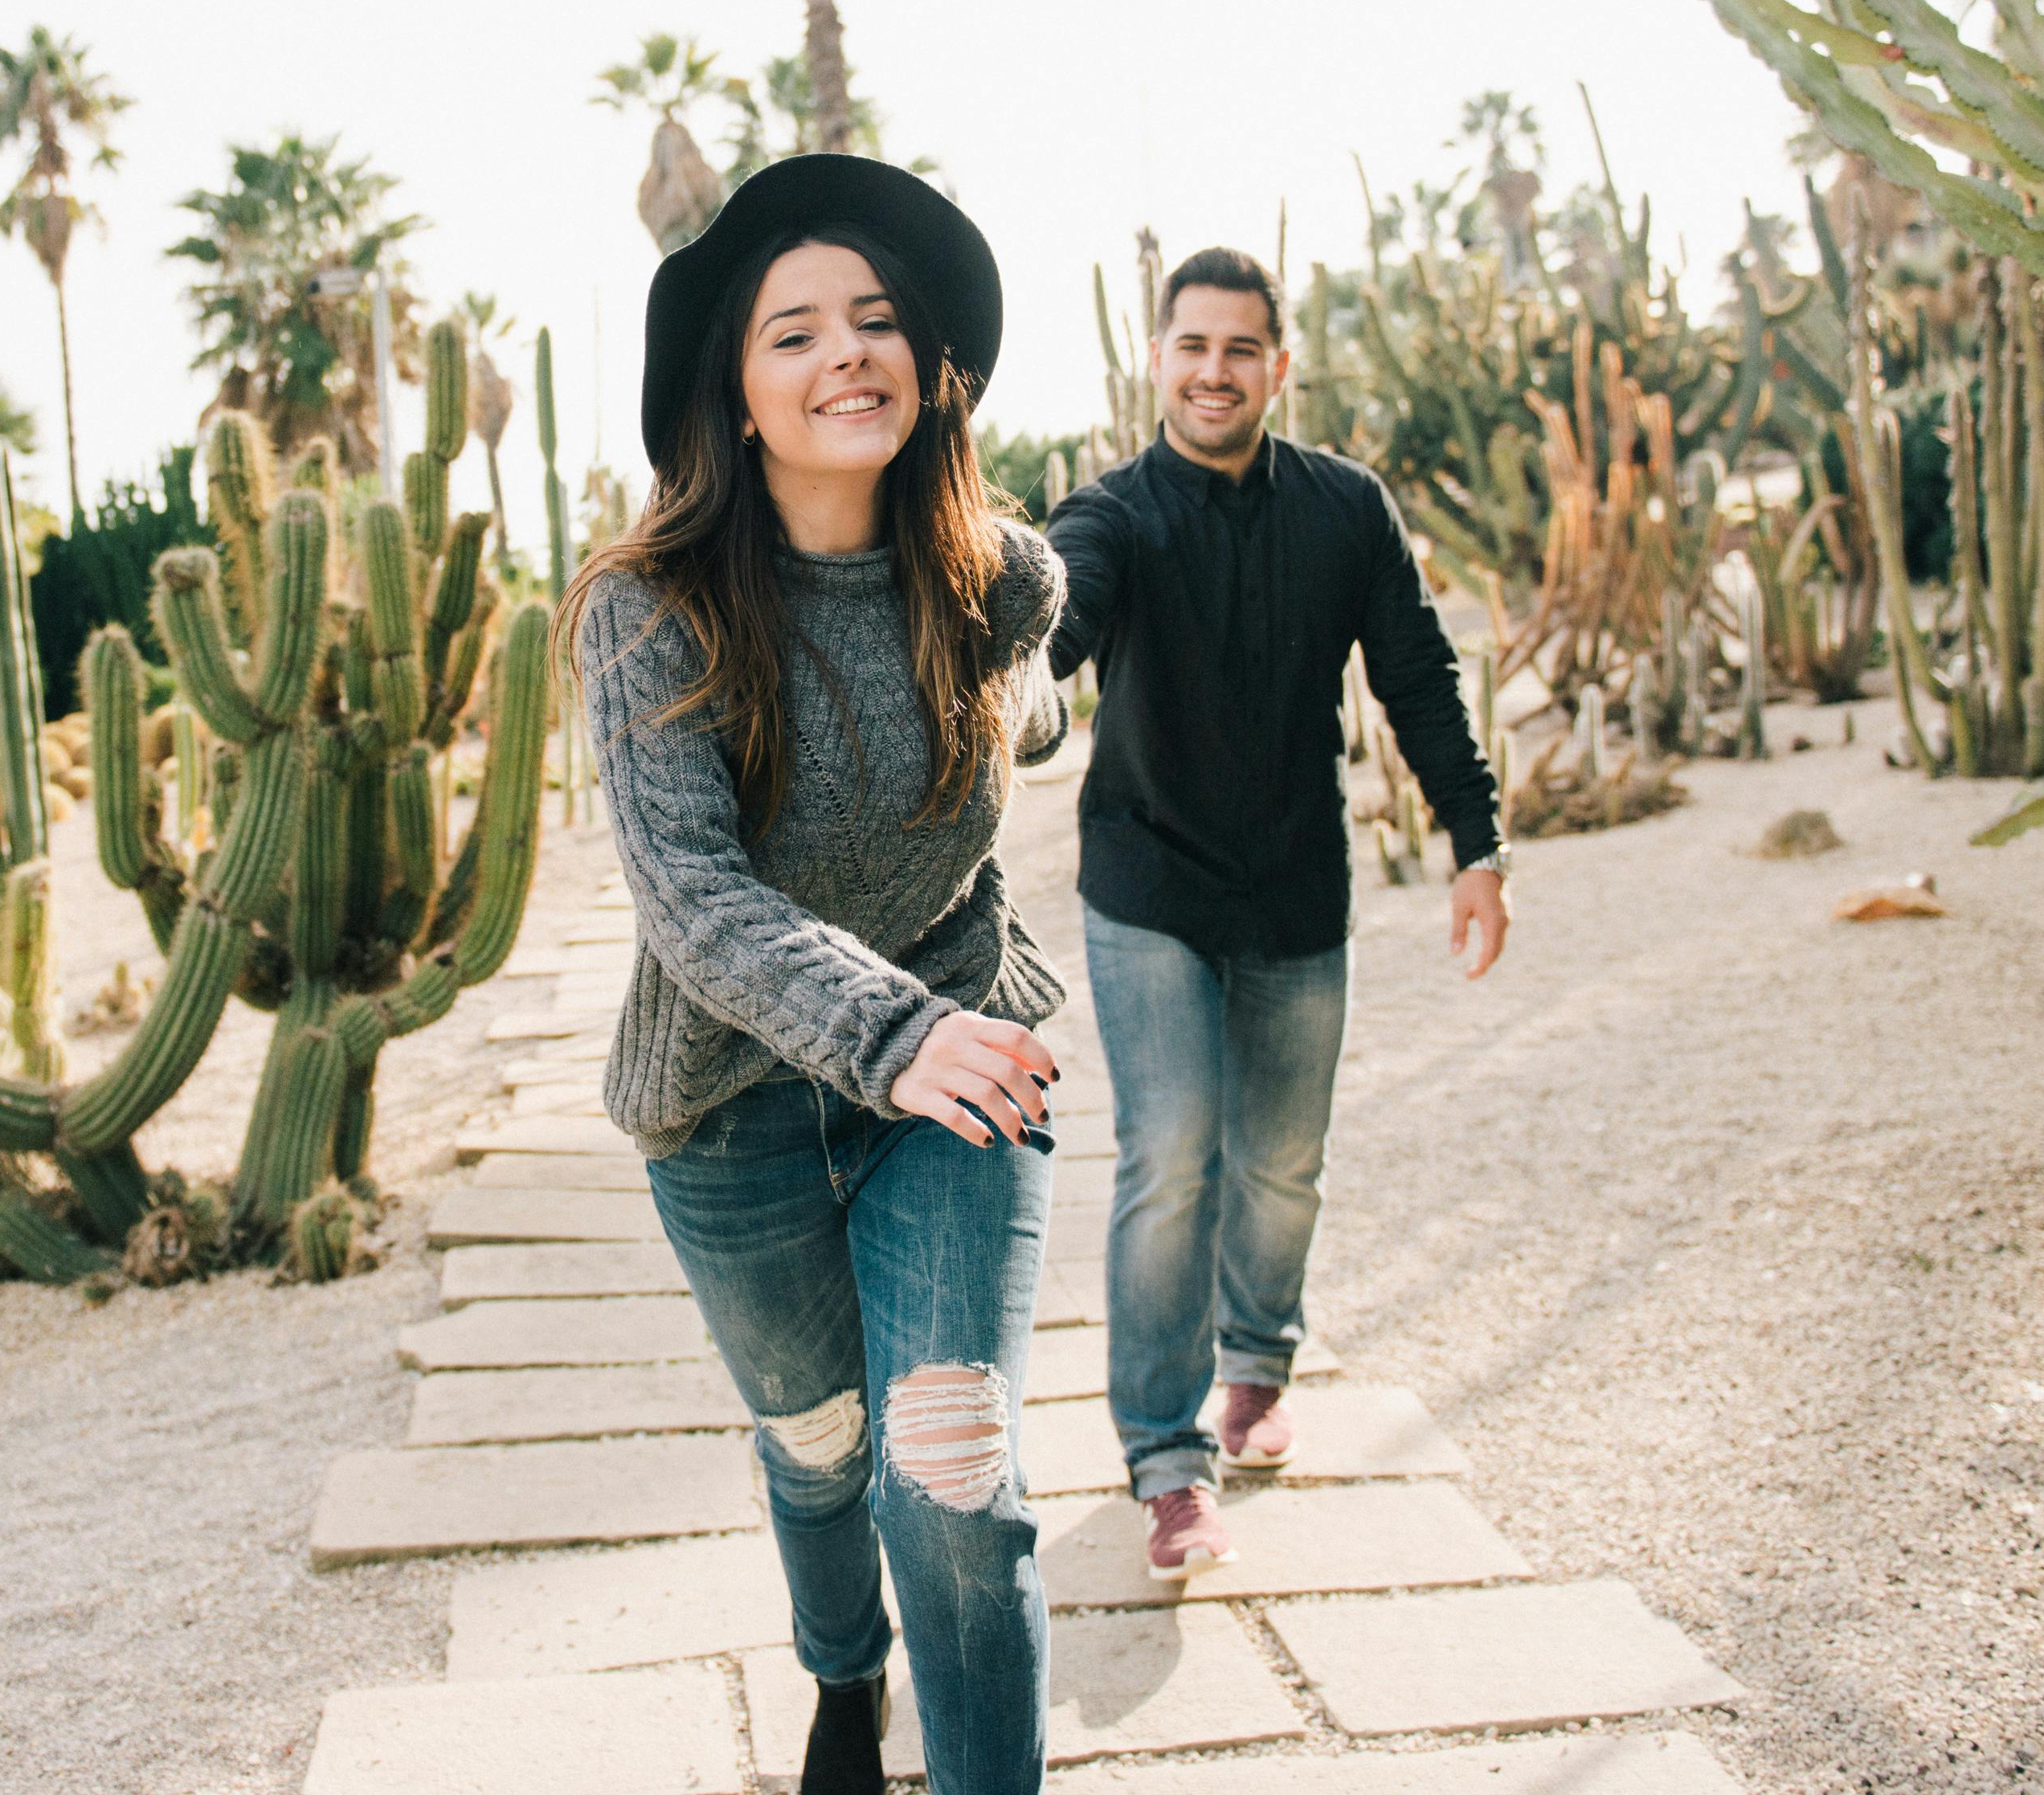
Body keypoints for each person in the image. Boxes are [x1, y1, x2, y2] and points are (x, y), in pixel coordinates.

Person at [565, 153, 1067, 1795]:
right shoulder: (649, 608)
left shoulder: (999, 578)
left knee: (950, 1467)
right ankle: (846, 1678)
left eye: (875, 320)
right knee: (819, 1443)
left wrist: (1030, 702)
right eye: (794, 333)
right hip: (735, 1113)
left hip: (960, 1078)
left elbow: (1023, 722)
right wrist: (889, 1029)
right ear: (737, 391)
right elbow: (691, 897)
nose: (845, 353)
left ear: (926, 362)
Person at [1044, 246, 1511, 1580]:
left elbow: (1418, 676)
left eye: (1240, 349)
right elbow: (1057, 618)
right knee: (1172, 1155)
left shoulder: (1346, 508)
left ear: (1278, 366)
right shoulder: (1112, 514)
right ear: (1157, 359)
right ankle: (1165, 1459)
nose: (1215, 371)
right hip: (1150, 886)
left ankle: (1257, 1363)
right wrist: (1006, 657)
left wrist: (1477, 843)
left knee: (1284, 1164)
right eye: (1192, 346)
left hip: (1300, 882)